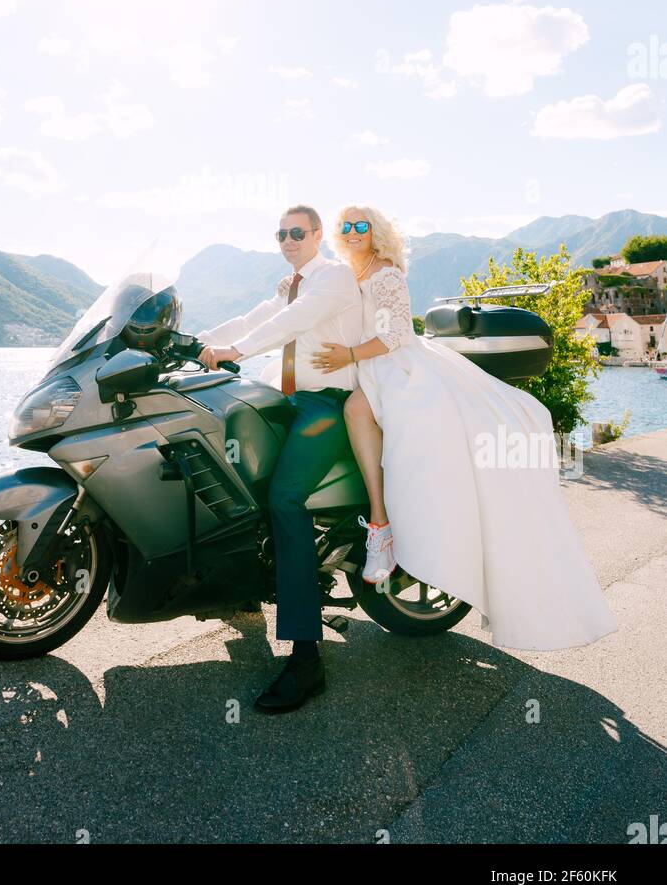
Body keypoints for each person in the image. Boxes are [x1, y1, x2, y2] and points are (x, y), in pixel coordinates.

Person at [310, 204, 619, 652]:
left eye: (362, 225)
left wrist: (349, 357)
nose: (353, 232)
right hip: (359, 363)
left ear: (376, 233)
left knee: (362, 412)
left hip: (393, 363)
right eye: (346, 226)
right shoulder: (343, 273)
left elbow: (397, 334)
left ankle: (380, 521)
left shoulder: (387, 272)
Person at [197, 205, 362, 712]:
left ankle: (306, 656)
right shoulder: (288, 282)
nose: (288, 240)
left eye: (297, 232)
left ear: (316, 235)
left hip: (326, 404)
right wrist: (194, 343)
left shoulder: (332, 277)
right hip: (288, 399)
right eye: (281, 233)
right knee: (234, 465)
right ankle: (244, 583)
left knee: (287, 499)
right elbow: (256, 317)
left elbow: (292, 321)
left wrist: (236, 351)